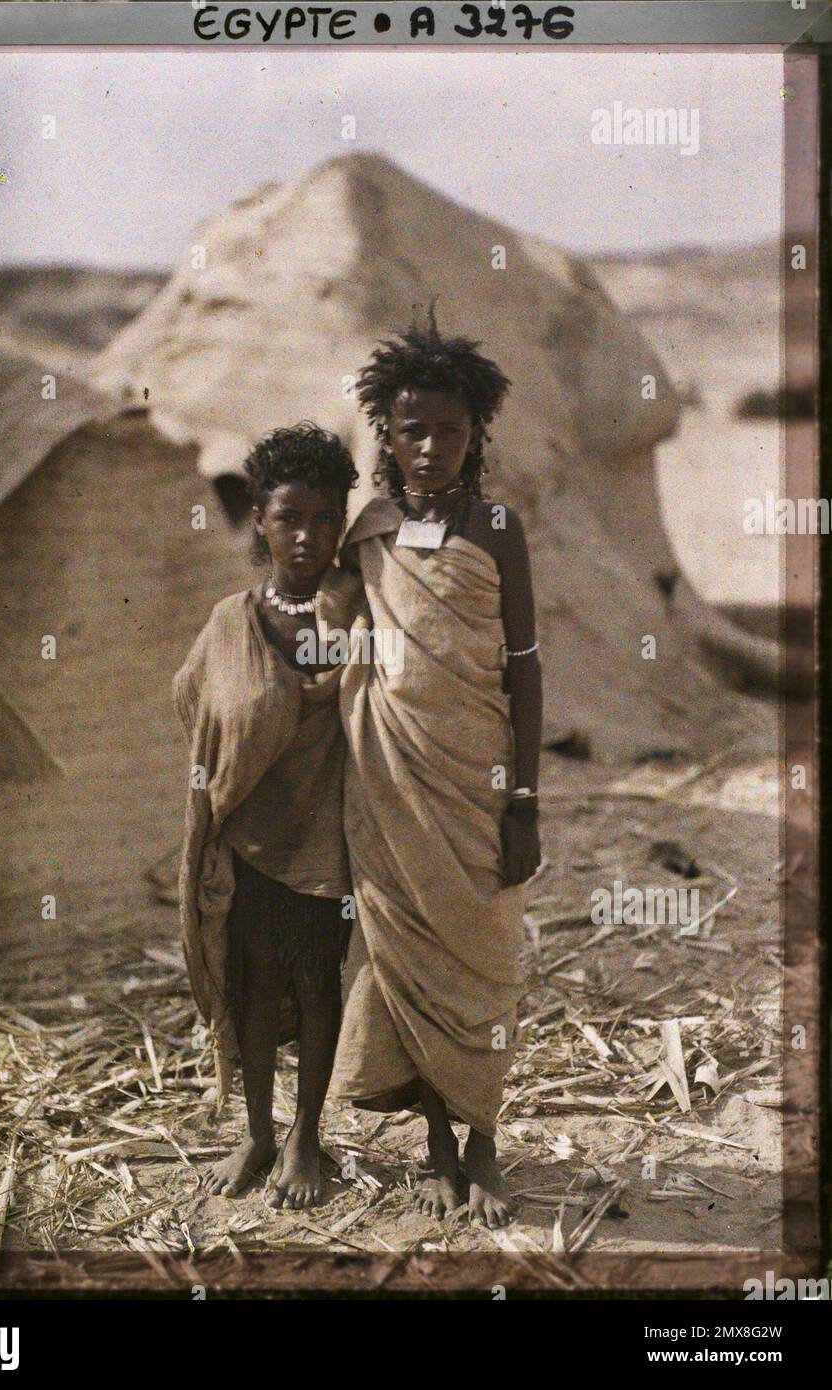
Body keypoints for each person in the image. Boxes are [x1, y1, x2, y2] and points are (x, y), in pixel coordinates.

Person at [332, 313, 543, 1228]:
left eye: (449, 429)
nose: (430, 446)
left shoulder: (499, 529)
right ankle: (439, 1149)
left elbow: (526, 664)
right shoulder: (368, 529)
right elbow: (329, 627)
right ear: (386, 433)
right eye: (412, 428)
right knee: (405, 956)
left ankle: (485, 1141)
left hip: (478, 781)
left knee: (483, 957)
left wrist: (524, 801)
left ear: (475, 433)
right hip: (387, 781)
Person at [174, 423, 359, 1209]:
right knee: (253, 990)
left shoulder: (354, 615)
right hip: (247, 841)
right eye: (289, 518)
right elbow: (193, 699)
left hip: (325, 843)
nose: (306, 535)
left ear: (342, 523)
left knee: (319, 987)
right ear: (261, 521)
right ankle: (256, 1131)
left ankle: (305, 1136)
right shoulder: (231, 621)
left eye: (323, 518)